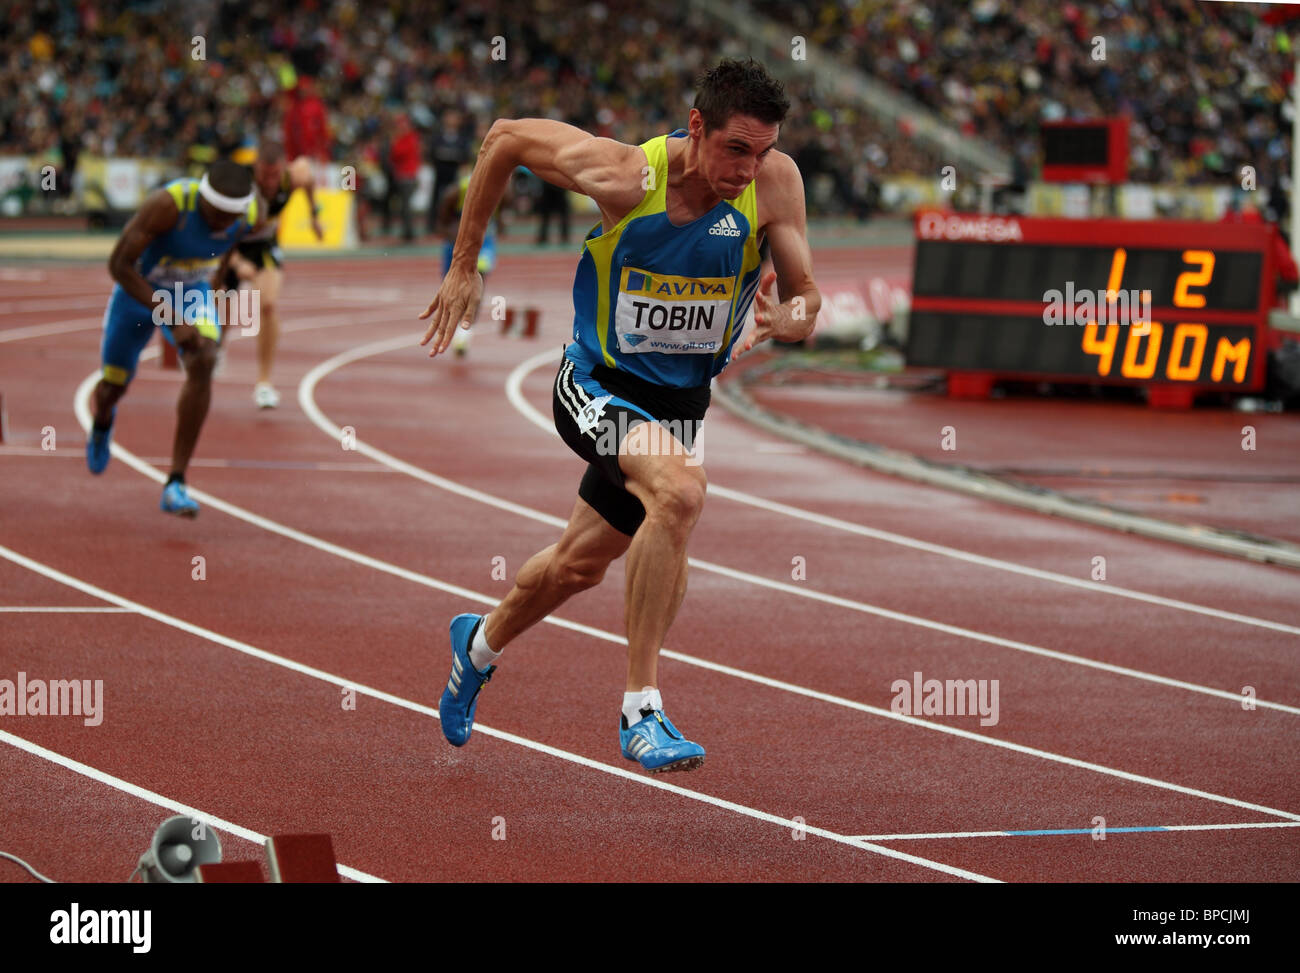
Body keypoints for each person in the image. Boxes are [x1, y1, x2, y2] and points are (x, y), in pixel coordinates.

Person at [418, 58, 820, 772]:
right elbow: (504, 138)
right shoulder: (627, 176)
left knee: (578, 565)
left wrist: (787, 318)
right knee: (680, 493)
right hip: (598, 385)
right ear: (696, 128)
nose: (749, 169)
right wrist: (463, 265)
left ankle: (476, 644)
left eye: (762, 152)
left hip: (681, 404)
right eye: (735, 150)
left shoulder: (775, 182)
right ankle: (641, 710)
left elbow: (806, 296)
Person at [86, 160, 256, 516]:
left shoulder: (245, 216)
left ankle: (176, 481)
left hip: (190, 292)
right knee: (112, 387)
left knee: (204, 360)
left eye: (230, 218)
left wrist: (217, 312)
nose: (222, 224)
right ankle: (102, 420)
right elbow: (118, 266)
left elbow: (222, 261)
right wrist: (170, 316)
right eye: (216, 216)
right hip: (138, 294)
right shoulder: (168, 206)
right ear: (204, 200)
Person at [224, 141, 323, 408]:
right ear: (255, 167)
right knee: (220, 314)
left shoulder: (296, 176)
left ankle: (264, 383)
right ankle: (213, 350)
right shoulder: (236, 186)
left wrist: (314, 214)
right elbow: (217, 234)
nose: (270, 182)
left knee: (267, 305)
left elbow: (308, 178)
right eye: (264, 175)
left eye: (275, 175)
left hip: (264, 246)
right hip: (229, 246)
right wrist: (236, 264)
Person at [435, 163, 507, 356]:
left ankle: (464, 333)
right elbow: (440, 221)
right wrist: (451, 232)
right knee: (452, 289)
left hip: (484, 244)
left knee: (477, 285)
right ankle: (455, 323)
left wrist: (498, 226)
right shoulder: (456, 192)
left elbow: (501, 215)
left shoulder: (500, 191)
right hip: (456, 245)